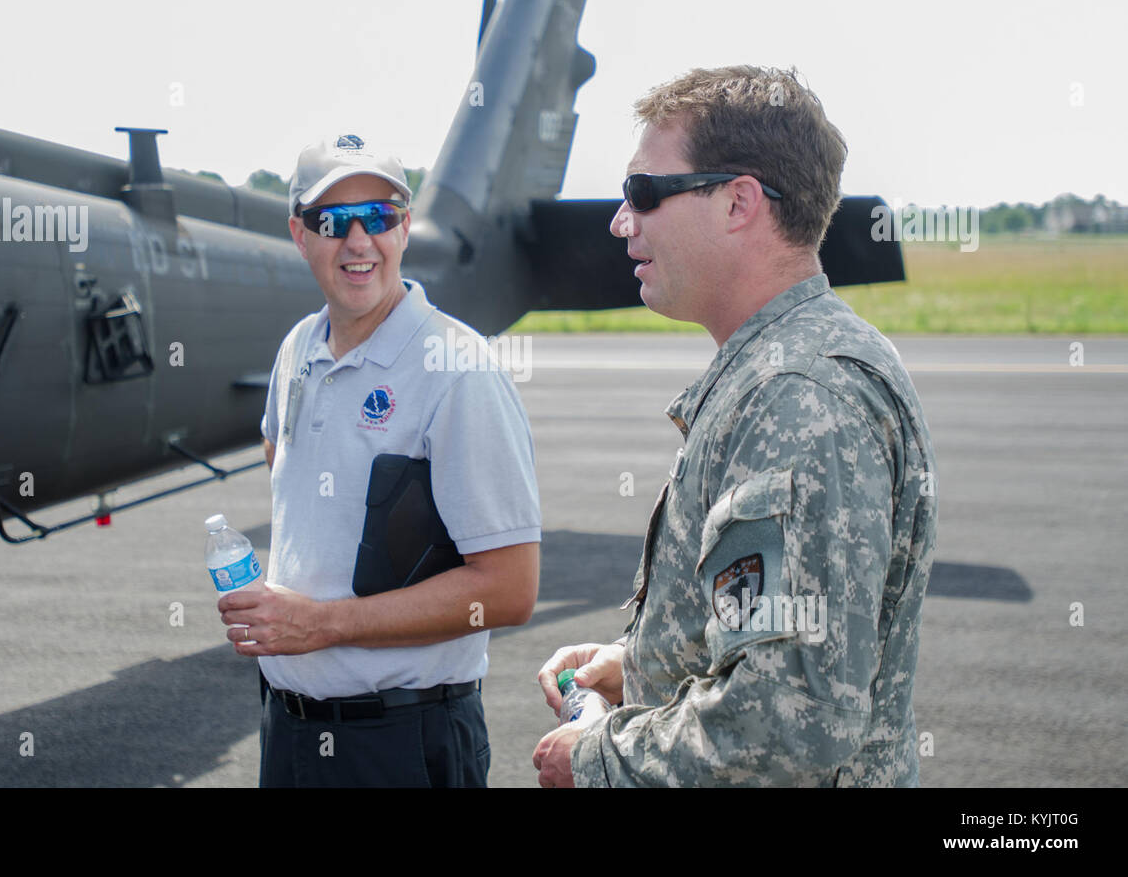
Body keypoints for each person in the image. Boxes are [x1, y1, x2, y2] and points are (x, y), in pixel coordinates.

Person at [532, 67, 938, 787]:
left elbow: (786, 722)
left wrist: (595, 760)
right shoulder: (789, 368)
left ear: (738, 203)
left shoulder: (798, 398)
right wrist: (644, 661)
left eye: (643, 193)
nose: (621, 221)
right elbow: (770, 635)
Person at [221, 133, 540, 787]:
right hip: (287, 731)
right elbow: (283, 468)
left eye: (381, 216)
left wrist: (324, 623)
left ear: (404, 228)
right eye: (334, 221)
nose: (359, 240)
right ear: (299, 233)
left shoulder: (457, 369)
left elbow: (509, 591)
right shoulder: (296, 351)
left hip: (401, 742)